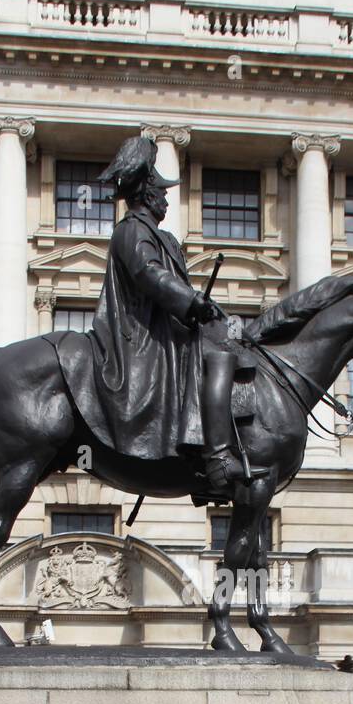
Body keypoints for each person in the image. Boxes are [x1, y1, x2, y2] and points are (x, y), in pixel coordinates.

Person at [92, 134, 266, 497]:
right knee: (220, 355)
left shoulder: (161, 236)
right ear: (148, 194)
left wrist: (199, 305)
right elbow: (149, 275)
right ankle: (217, 456)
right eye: (163, 192)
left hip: (166, 326)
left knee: (221, 340)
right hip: (143, 335)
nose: (168, 198)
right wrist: (191, 302)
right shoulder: (132, 231)